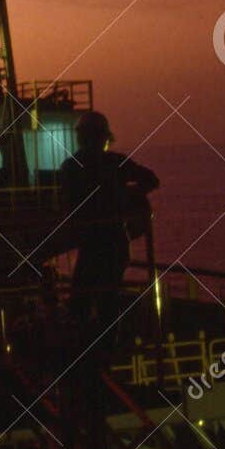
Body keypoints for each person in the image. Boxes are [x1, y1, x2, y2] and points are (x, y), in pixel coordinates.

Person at [59, 111, 159, 355]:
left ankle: (81, 351)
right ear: (104, 137)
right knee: (108, 298)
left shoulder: (71, 167)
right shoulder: (115, 163)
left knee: (81, 297)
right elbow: (152, 180)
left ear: (81, 138)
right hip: (114, 243)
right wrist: (130, 195)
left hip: (91, 242)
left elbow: (68, 203)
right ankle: (106, 350)